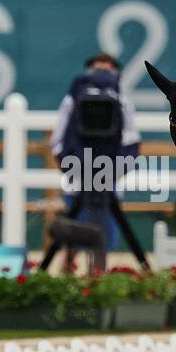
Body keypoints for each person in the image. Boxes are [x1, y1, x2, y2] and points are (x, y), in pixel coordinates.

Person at [49, 52, 141, 253]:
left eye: (105, 69)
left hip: (100, 182)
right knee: (74, 240)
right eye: (98, 69)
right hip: (83, 182)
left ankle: (90, 272)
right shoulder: (77, 100)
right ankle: (73, 266)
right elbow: (132, 141)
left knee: (101, 241)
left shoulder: (120, 102)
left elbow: (57, 141)